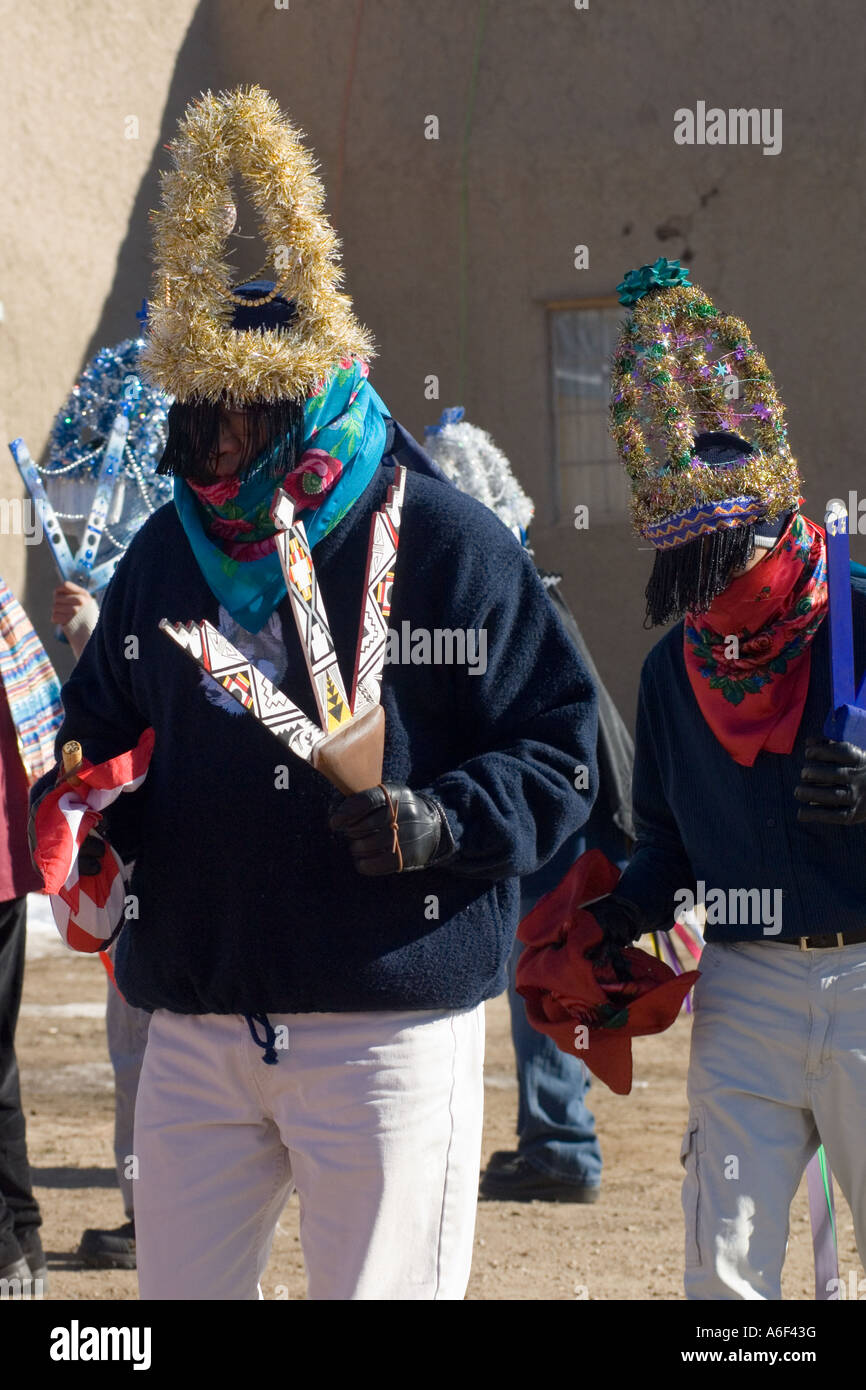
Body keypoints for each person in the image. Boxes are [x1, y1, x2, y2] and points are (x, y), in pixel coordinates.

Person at [29, 87, 599, 1301]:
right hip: (193, 1023)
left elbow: (561, 752)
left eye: (247, 419)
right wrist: (82, 804)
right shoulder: (165, 554)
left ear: (309, 397)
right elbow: (100, 731)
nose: (219, 451)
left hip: (385, 1027)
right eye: (199, 420)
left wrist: (444, 820)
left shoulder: (447, 542)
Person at [588, 257, 866, 1299]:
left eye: (723, 573)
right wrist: (621, 911)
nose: (709, 605)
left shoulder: (858, 608)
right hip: (742, 982)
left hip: (864, 970)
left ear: (770, 522)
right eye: (687, 584)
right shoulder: (672, 669)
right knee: (724, 1258)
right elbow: (664, 838)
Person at [423, 409, 634, 1203]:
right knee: (544, 973)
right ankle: (557, 1139)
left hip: (545, 825)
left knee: (542, 973)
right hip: (553, 818)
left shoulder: (509, 601)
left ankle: (562, 1144)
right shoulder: (530, 590)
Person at [51, 579, 145, 1270]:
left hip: (167, 880)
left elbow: (129, 711)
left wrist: (90, 634)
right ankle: (156, 1215)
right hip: (170, 876)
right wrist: (89, 633)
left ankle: (156, 1218)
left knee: (148, 1061)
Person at [0, 573, 64, 1292]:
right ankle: (25, 1241)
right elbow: (45, 718)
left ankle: (8, 1248)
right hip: (8, 857)